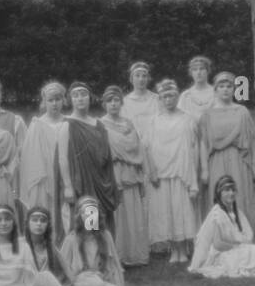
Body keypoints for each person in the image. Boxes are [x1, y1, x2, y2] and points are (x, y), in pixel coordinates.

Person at [200, 72, 255, 242]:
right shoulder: (207, 115)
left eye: (229, 86)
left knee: (242, 198)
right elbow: (203, 143)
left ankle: (246, 239)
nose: (225, 89)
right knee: (220, 200)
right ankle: (222, 242)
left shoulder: (242, 111)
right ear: (215, 89)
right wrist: (204, 169)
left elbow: (252, 141)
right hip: (216, 162)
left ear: (234, 89)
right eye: (221, 86)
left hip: (239, 160)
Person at [189, 176, 255, 278]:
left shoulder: (235, 211)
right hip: (224, 255)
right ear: (219, 193)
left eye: (232, 190)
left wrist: (242, 245)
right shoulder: (217, 214)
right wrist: (238, 246)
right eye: (226, 190)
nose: (231, 193)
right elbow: (218, 244)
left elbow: (245, 234)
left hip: (235, 250)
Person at [148, 78, 202, 263]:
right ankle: (173, 249)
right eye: (164, 96)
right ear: (160, 99)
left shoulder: (187, 119)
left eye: (171, 95)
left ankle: (184, 248)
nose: (168, 99)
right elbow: (148, 148)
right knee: (167, 212)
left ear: (177, 96)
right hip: (163, 174)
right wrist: (152, 171)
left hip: (182, 173)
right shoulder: (154, 121)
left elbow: (193, 148)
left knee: (182, 211)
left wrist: (193, 178)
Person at [57, 82, 118, 238]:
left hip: (101, 180)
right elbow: (62, 157)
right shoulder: (67, 124)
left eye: (83, 94)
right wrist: (68, 186)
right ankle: (89, 258)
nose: (80, 98)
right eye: (75, 95)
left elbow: (106, 155)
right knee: (90, 218)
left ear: (90, 98)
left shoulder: (99, 124)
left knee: (104, 218)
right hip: (82, 181)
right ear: (70, 100)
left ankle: (106, 256)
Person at [99, 85, 151, 266]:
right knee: (117, 215)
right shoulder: (100, 125)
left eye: (116, 100)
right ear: (104, 104)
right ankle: (117, 255)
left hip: (131, 172)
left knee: (133, 212)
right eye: (109, 101)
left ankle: (135, 255)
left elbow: (137, 147)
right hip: (113, 172)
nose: (113, 104)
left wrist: (143, 170)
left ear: (121, 103)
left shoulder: (128, 123)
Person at [60, 197, 136, 286]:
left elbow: (115, 265)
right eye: (86, 213)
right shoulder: (71, 239)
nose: (90, 216)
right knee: (95, 284)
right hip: (79, 282)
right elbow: (61, 268)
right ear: (79, 216)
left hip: (100, 280)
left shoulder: (105, 235)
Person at [20, 81, 69, 240]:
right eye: (51, 100)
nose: (55, 103)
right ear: (44, 102)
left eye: (58, 99)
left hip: (65, 176)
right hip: (44, 178)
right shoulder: (37, 125)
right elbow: (30, 157)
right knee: (45, 210)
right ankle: (44, 246)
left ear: (63, 100)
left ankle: (67, 248)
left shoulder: (69, 123)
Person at [22, 206, 80, 286]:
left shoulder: (51, 248)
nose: (39, 224)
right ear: (27, 224)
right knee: (46, 275)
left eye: (43, 221)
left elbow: (65, 274)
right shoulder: (20, 245)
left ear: (47, 225)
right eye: (35, 220)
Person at [121, 62, 161, 149]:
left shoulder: (157, 100)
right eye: (137, 76)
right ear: (131, 79)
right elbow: (124, 129)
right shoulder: (125, 102)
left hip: (156, 146)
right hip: (134, 147)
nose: (141, 79)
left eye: (144, 76)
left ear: (148, 78)